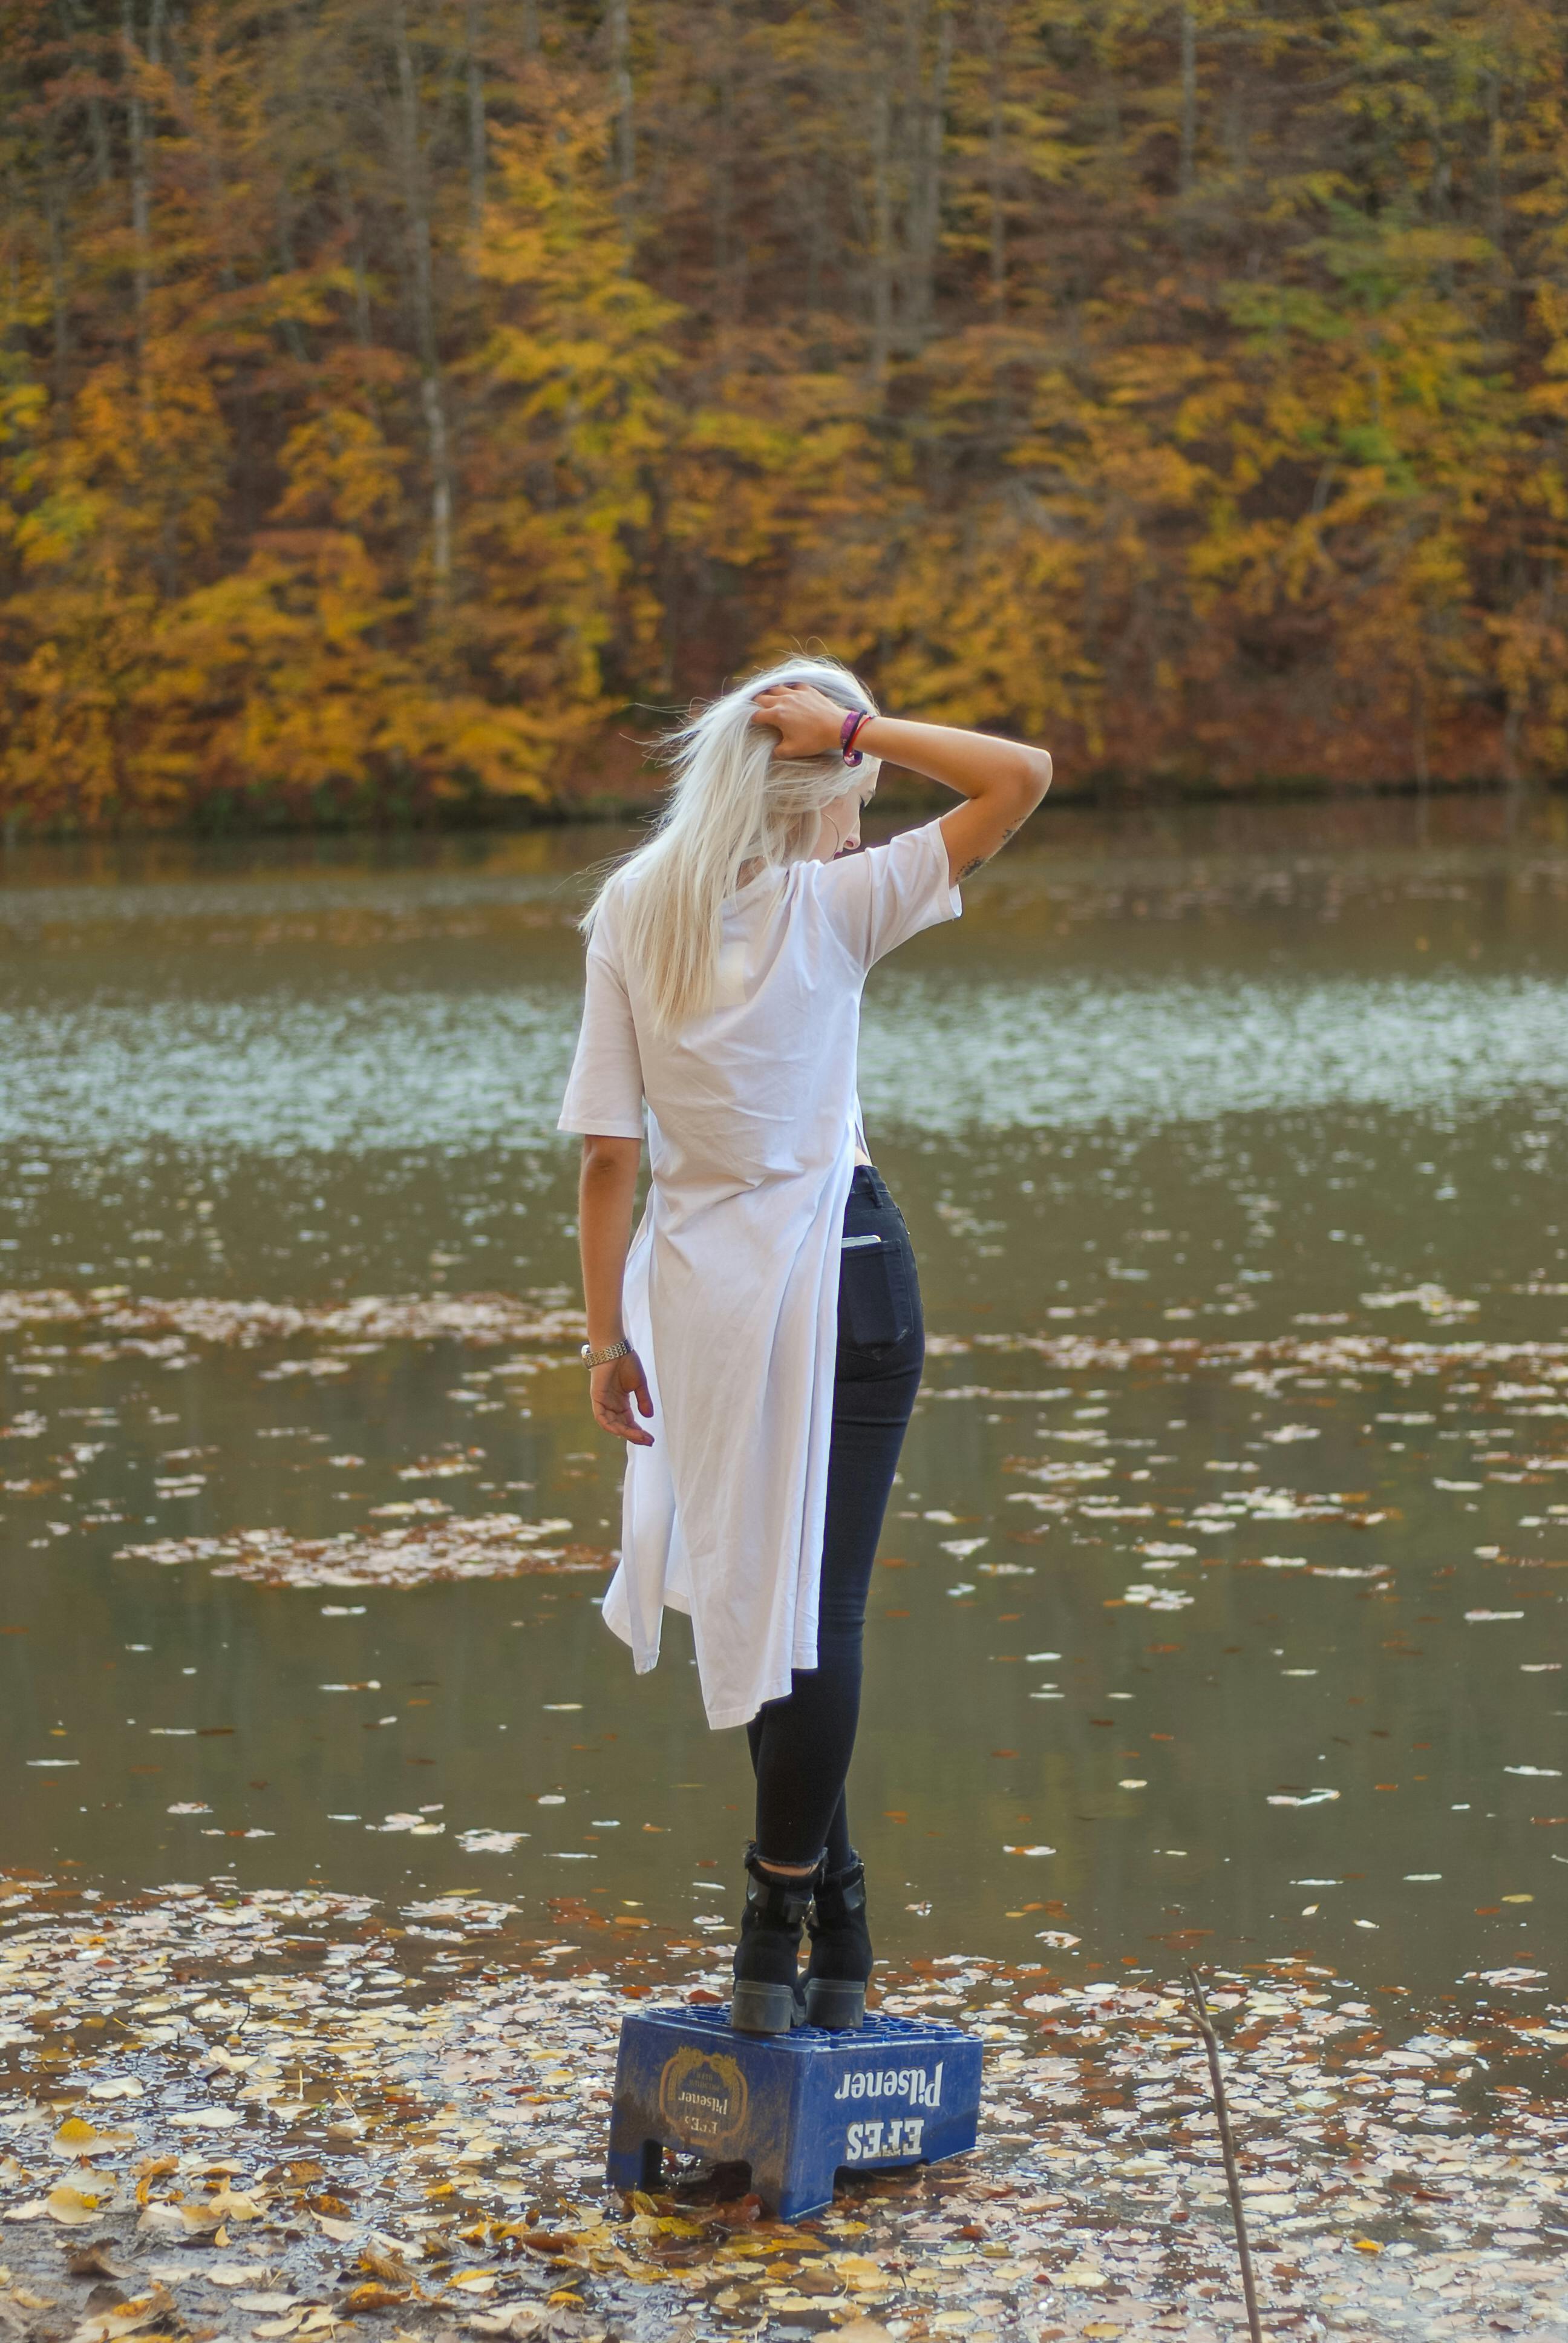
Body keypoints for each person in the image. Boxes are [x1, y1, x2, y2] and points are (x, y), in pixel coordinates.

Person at [558, 658, 1051, 2034]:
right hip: (848, 1275)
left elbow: (611, 1157)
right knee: (809, 1615)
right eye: (861, 783)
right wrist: (855, 726)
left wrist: (604, 1335)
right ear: (824, 779)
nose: (868, 806)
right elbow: (1020, 775)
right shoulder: (834, 905)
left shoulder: (633, 912)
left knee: (759, 1609)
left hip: (705, 1296)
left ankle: (822, 1927)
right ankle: (788, 1912)